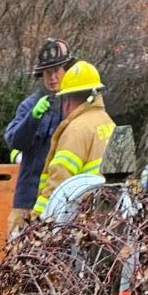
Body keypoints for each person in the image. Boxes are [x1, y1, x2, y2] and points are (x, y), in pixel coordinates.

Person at [3, 39, 72, 235]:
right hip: (27, 200)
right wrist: (33, 117)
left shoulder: (75, 106)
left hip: (61, 201)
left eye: (56, 71)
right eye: (47, 73)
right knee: (18, 257)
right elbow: (14, 140)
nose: (52, 77)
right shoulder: (30, 105)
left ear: (66, 70)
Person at [33, 62, 114, 217]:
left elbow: (59, 180)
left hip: (80, 217)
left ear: (67, 99)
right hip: (107, 214)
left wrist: (37, 218)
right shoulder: (107, 122)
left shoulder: (76, 130)